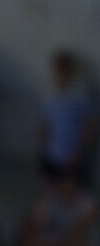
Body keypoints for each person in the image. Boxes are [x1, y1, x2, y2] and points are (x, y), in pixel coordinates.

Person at [38, 50, 97, 187]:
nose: (60, 74)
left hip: (74, 158)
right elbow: (45, 124)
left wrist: (79, 152)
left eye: (64, 70)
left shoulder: (81, 95)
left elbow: (90, 126)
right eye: (57, 70)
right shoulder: (50, 94)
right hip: (52, 155)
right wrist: (42, 149)